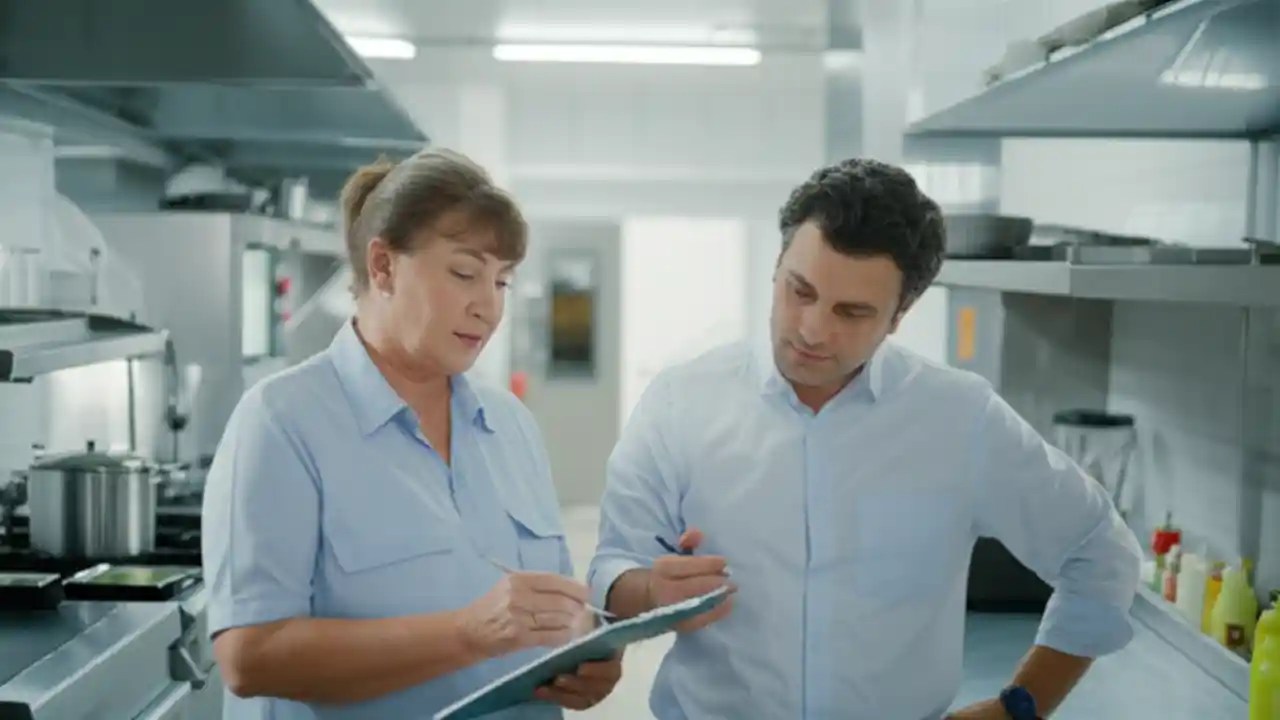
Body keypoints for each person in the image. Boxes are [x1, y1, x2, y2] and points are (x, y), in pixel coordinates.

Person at [588, 158, 1142, 720]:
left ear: (899, 315)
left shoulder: (959, 417)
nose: (811, 330)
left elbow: (1100, 552)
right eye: (799, 291)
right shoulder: (682, 400)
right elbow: (612, 566)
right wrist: (651, 592)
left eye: (852, 312)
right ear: (777, 267)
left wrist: (1019, 707)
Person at [202, 148, 622, 719]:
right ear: (383, 267)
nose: (488, 307)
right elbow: (250, 658)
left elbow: (550, 616)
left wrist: (585, 653)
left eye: (501, 282)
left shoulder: (511, 426)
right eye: (465, 274)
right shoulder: (283, 422)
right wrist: (469, 633)